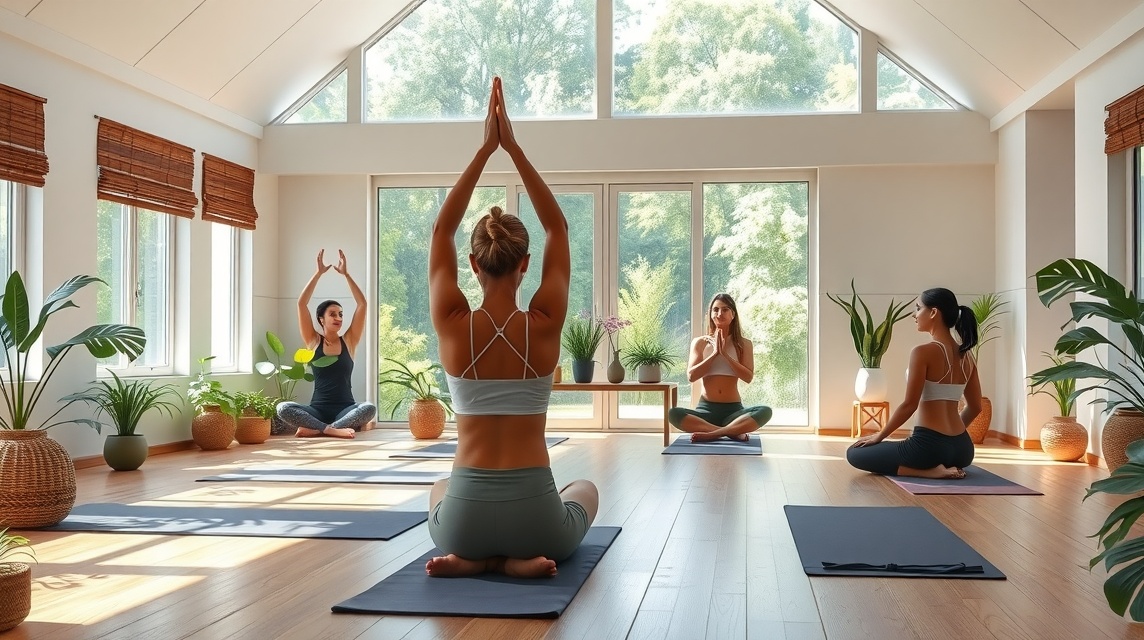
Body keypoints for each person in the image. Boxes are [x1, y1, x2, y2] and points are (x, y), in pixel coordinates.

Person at [425, 77, 598, 579]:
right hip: (536, 521)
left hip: (463, 521)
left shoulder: (454, 324)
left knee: (438, 488)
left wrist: (486, 150)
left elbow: (442, 230)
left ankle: (477, 558)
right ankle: (515, 559)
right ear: (525, 265)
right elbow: (558, 229)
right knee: (585, 490)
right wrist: (513, 149)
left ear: (474, 267)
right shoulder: (542, 324)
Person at [846, 287, 981, 479]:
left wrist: (879, 436)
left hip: (929, 448)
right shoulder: (968, 356)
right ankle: (941, 464)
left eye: (918, 308)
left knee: (854, 453)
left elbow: (910, 405)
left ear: (933, 312)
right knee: (888, 449)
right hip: (963, 449)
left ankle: (931, 473)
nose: (914, 314)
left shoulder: (922, 352)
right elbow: (975, 407)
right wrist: (952, 438)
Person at [275, 249, 377, 439]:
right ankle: (331, 429)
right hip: (317, 409)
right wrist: (318, 274)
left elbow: (362, 304)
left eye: (340, 314)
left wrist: (346, 274)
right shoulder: (313, 341)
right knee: (282, 407)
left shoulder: (349, 340)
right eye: (332, 314)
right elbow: (301, 304)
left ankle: (321, 429)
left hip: (346, 409)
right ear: (321, 319)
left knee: (369, 408)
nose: (338, 318)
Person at [669, 293, 773, 442]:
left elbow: (748, 377)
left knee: (765, 411)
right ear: (710, 314)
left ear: (733, 314)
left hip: (734, 411)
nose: (719, 313)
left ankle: (711, 434)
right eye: (715, 309)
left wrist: (725, 355)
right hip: (706, 410)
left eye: (725, 310)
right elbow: (691, 376)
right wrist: (714, 355)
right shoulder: (700, 343)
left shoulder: (744, 344)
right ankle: (731, 432)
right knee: (674, 413)